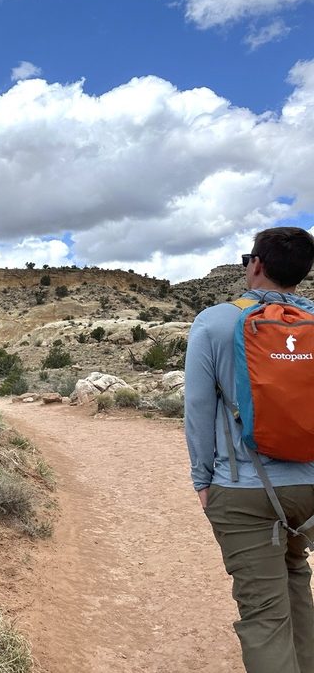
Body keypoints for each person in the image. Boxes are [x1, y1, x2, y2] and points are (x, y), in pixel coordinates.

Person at [185, 226, 314, 672]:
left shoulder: (215, 321)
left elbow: (199, 408)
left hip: (243, 491)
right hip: (310, 485)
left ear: (255, 264)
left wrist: (202, 480)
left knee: (264, 615)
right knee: (296, 578)